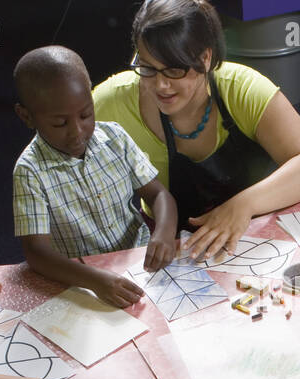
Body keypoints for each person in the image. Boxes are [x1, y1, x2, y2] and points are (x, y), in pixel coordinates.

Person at [93, 0, 300, 262]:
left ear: (205, 58)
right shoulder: (113, 100)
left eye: (174, 70)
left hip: (254, 229)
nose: (160, 85)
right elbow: (48, 147)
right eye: (147, 68)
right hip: (173, 244)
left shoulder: (241, 88)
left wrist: (243, 205)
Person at [13, 46, 178, 309]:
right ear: (26, 116)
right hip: (82, 280)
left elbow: (158, 194)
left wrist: (165, 233)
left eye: (86, 115)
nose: (77, 131)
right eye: (59, 123)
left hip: (140, 261)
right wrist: (96, 281)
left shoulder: (114, 137)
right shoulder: (30, 171)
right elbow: (36, 253)